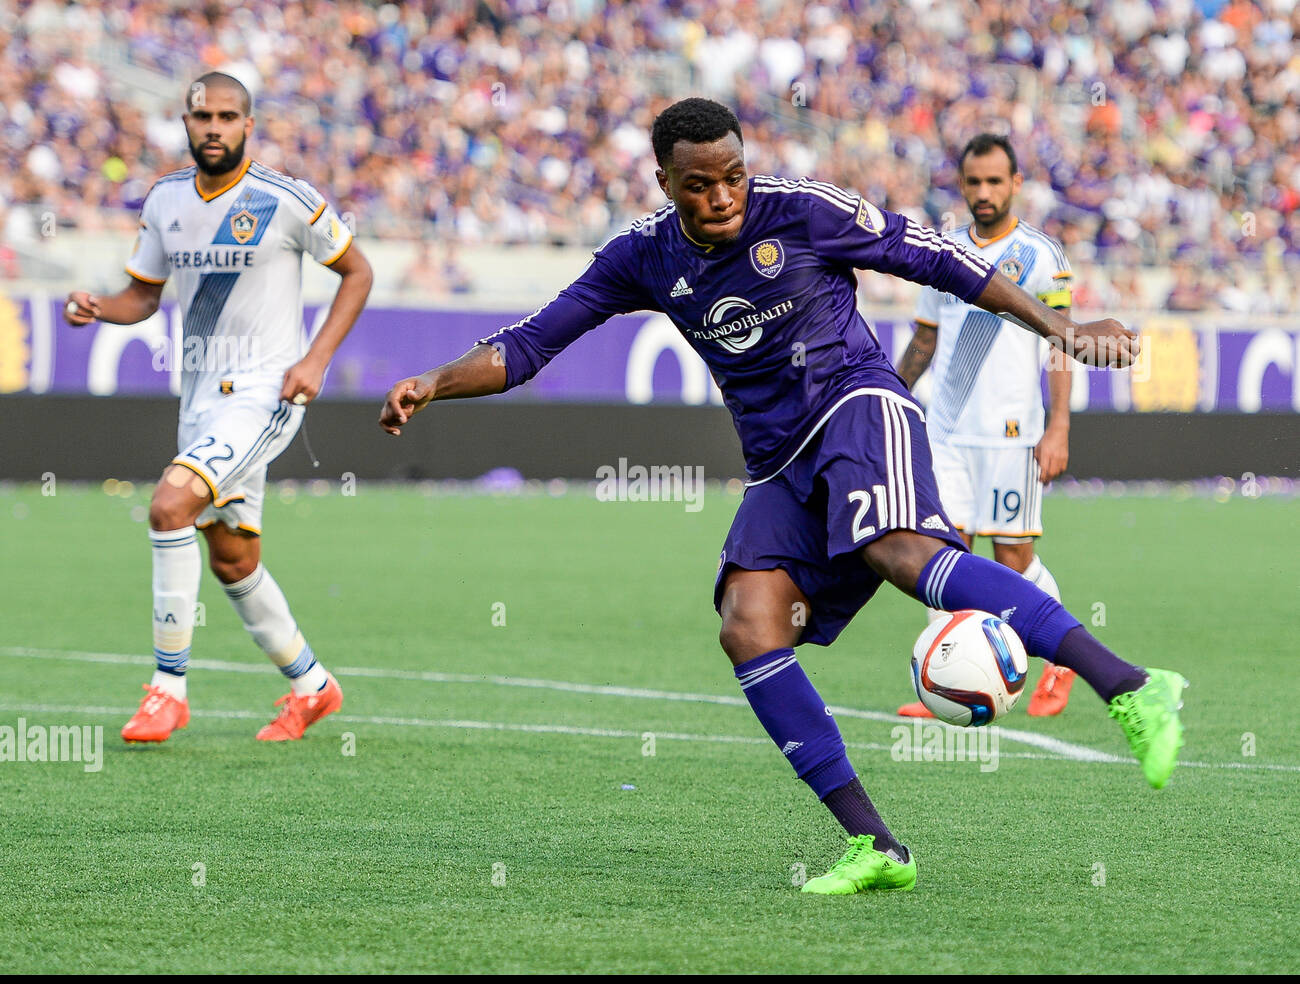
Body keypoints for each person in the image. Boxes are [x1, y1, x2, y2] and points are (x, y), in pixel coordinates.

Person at [378, 98, 1185, 894]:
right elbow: (530, 342)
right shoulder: (641, 258)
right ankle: (877, 845)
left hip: (856, 403)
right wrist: (434, 381)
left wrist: (1063, 330)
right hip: (777, 463)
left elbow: (939, 257)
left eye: (733, 176)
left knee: (902, 552)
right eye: (699, 185)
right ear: (664, 181)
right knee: (748, 624)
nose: (723, 196)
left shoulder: (803, 211)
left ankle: (1130, 684)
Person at [64, 71, 373, 743]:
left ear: (248, 126)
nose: (214, 127)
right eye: (203, 116)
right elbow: (141, 296)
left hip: (265, 394)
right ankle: (314, 685)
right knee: (232, 557)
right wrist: (98, 307)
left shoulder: (285, 199)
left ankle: (167, 690)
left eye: (228, 116)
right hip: (200, 399)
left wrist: (315, 358)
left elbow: (359, 271)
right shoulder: (167, 199)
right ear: (186, 122)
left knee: (168, 505)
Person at [894, 133, 1077, 719]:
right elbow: (925, 338)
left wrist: (1059, 429)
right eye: (973, 182)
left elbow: (1061, 347)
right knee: (943, 555)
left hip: (1012, 435)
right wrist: (891, 402)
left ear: (1016, 184)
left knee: (1012, 560)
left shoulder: (1043, 255)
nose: (983, 192)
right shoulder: (943, 251)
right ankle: (944, 678)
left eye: (995, 181)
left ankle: (1064, 656)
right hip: (945, 432)